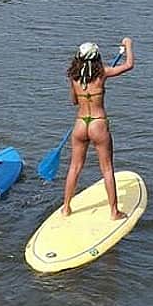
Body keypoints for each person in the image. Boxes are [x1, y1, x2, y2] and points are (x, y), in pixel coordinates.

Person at [62, 37, 134, 220]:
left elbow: (73, 101)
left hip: (80, 124)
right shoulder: (103, 73)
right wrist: (128, 46)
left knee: (75, 167)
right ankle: (114, 211)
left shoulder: (73, 77)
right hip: (98, 123)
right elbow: (128, 65)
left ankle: (66, 207)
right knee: (107, 169)